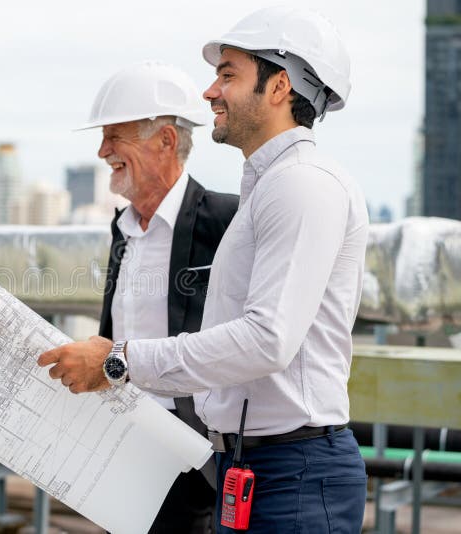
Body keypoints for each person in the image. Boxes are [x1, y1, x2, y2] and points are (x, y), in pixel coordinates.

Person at [39, 6, 369, 532]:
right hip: (253, 466)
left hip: (294, 473)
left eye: (228, 74)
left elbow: (267, 340)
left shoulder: (303, 185)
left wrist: (118, 361)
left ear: (280, 86)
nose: (210, 92)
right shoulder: (269, 188)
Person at [79, 61, 238, 533]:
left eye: (115, 136)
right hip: (124, 442)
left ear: (166, 141)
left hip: (194, 455)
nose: (102, 150)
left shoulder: (226, 221)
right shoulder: (123, 230)